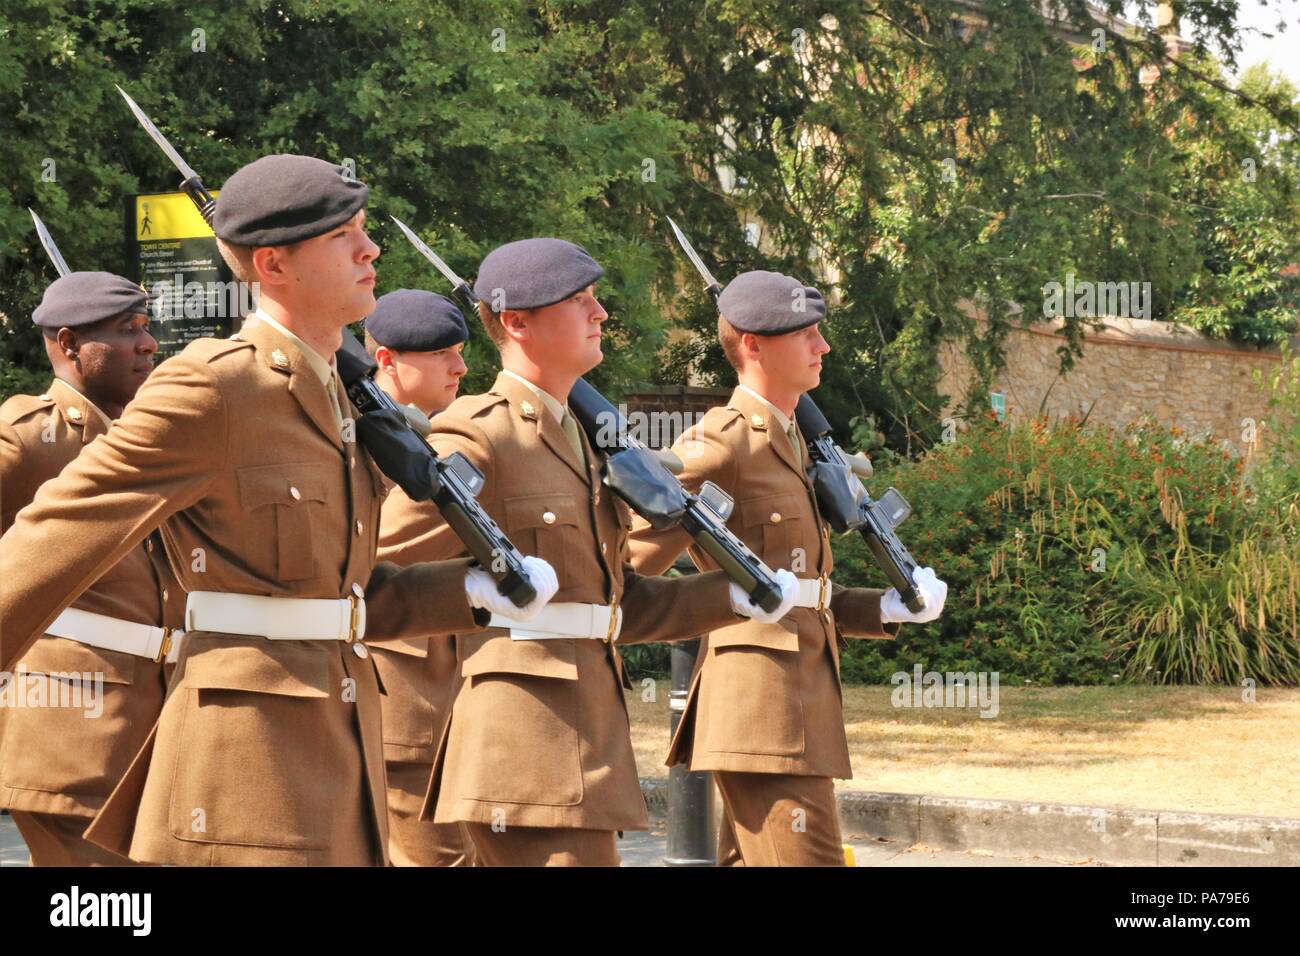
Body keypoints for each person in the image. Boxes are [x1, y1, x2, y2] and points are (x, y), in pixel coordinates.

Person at [0, 156, 558, 865]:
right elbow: (53, 535)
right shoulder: (214, 388)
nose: (370, 248)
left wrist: (469, 590)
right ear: (272, 264)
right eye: (342, 235)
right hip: (244, 780)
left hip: (341, 762)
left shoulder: (344, 399)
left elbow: (332, 598)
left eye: (364, 229)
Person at [416, 238, 799, 866]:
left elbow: (614, 605)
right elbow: (369, 567)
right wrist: (472, 594)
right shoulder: (475, 431)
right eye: (580, 302)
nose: (601, 314)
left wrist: (735, 591)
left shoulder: (582, 445)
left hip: (584, 740)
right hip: (522, 751)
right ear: (516, 322)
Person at [627, 269, 948, 866]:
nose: (822, 346)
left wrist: (883, 605)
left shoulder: (797, 441)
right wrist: (724, 594)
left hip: (796, 701)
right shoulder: (722, 442)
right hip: (761, 711)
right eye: (805, 334)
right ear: (752, 344)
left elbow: (803, 588)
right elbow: (623, 566)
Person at [0, 271, 182, 865]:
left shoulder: (157, 436)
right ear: (71, 344)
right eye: (128, 331)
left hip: (156, 724)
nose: (148, 343)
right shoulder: (31, 440)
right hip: (69, 739)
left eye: (147, 327)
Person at [362, 288, 477, 866]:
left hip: (435, 696)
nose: (460, 367)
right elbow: (374, 554)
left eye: (459, 351)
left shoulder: (423, 435)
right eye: (441, 355)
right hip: (402, 702)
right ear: (386, 360)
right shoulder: (376, 440)